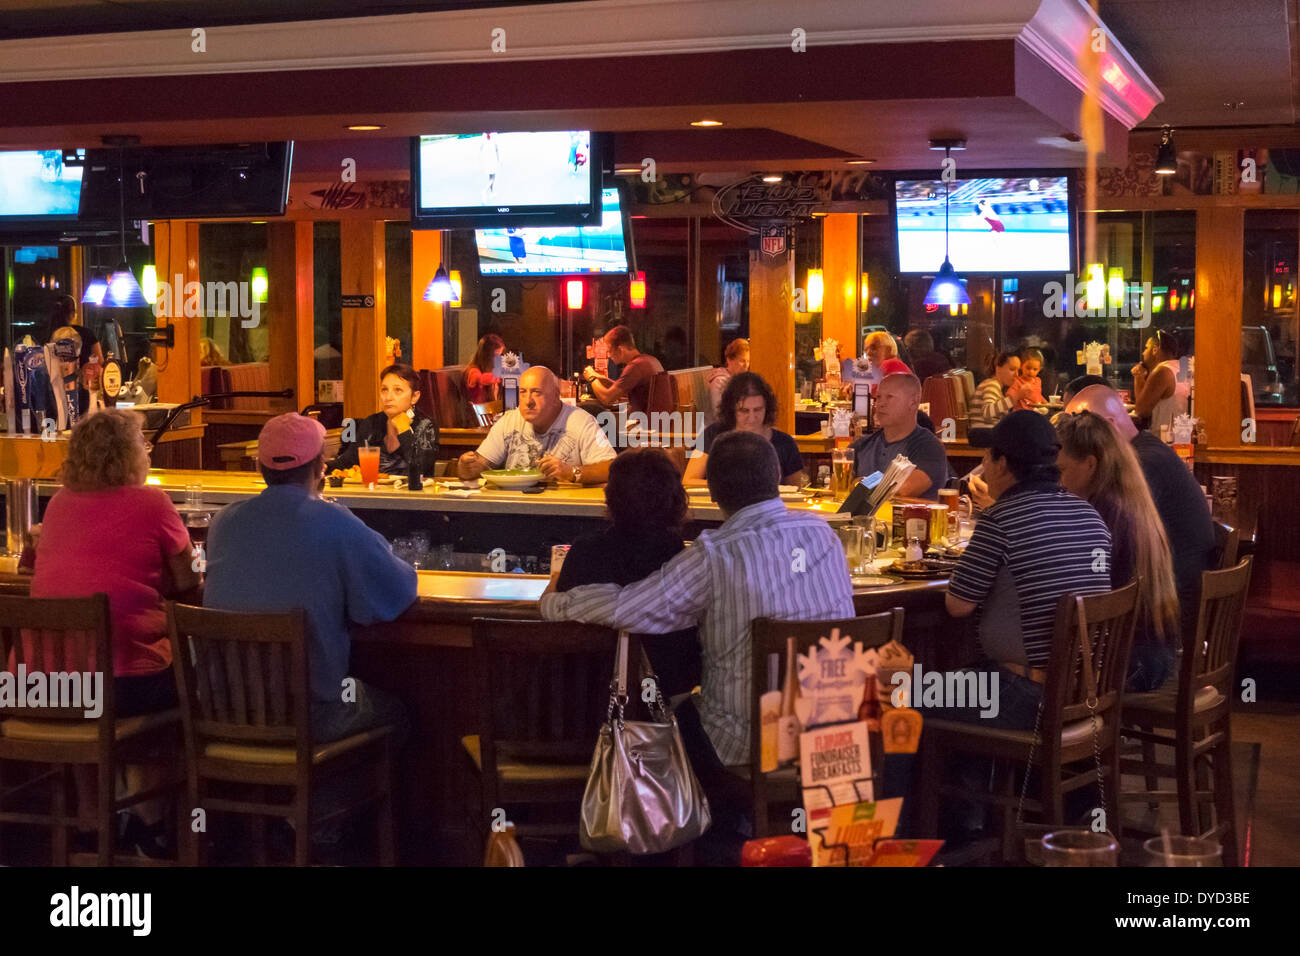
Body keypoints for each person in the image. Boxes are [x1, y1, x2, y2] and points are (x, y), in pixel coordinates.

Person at [541, 430, 854, 832]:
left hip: (748, 748)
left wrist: (553, 600)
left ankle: (693, 840)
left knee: (663, 720)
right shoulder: (823, 535)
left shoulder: (715, 554)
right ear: (777, 474)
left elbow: (627, 608)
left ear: (715, 492)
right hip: (838, 738)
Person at [29, 409, 201, 855]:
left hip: (41, 688)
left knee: (83, 698)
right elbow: (188, 581)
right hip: (123, 684)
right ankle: (149, 824)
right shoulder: (152, 503)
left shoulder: (60, 503)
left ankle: (91, 819)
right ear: (130, 454)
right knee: (175, 689)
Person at [204, 413, 416, 749]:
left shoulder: (223, 524)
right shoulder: (336, 522)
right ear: (320, 467)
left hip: (223, 711)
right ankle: (336, 801)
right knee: (400, 710)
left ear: (260, 467)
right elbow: (398, 592)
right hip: (312, 715)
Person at [944, 411, 1114, 730]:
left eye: (987, 455)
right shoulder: (1091, 516)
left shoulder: (999, 520)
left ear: (1003, 463)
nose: (982, 464)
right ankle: (976, 779)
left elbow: (957, 605)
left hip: (1023, 693)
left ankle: (952, 781)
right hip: (1085, 690)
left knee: (900, 692)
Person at [1064, 384, 1215, 640]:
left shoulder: (1140, 467)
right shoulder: (1145, 451)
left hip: (1164, 623)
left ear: (1105, 428)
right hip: (1160, 613)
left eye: (1081, 424)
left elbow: (1096, 553)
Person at [552, 447, 700, 697]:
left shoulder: (585, 552)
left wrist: (550, 592)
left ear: (610, 498)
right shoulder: (682, 559)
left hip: (585, 709)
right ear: (675, 500)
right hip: (664, 715)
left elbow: (556, 625)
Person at [1055, 411, 1179, 691]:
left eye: (1061, 470)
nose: (1057, 481)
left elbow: (1082, 593)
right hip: (1155, 655)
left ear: (1090, 464)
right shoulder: (1129, 499)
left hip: (1130, 664)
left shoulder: (1101, 513)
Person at [458, 365, 615, 485]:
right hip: (513, 508)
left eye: (536, 393)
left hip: (561, 512)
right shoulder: (509, 421)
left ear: (555, 396)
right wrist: (467, 468)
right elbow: (479, 465)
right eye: (523, 392)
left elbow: (611, 468)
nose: (528, 401)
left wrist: (571, 472)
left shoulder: (581, 421)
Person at [682, 371, 807, 488]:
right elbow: (689, 481)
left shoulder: (785, 443)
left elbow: (795, 491)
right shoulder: (713, 434)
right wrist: (732, 487)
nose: (752, 418)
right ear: (731, 410)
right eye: (744, 411)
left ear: (767, 408)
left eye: (758, 410)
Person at [849, 372, 949, 500]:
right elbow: (840, 485)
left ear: (913, 402)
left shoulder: (930, 447)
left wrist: (861, 483)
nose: (880, 404)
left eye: (889, 397)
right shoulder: (861, 445)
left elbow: (905, 488)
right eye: (878, 397)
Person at [329, 364, 439, 479]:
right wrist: (323, 467)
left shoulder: (426, 425)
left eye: (398, 390)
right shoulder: (371, 423)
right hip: (374, 494)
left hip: (412, 495)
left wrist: (404, 429)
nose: (388, 397)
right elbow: (346, 462)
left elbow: (422, 469)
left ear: (414, 397)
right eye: (384, 390)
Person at [583, 325, 667, 415]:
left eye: (610, 351)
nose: (609, 356)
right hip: (659, 421)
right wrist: (601, 378)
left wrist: (592, 378)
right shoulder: (650, 360)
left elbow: (606, 398)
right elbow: (623, 387)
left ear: (620, 349)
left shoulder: (635, 367)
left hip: (642, 424)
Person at [1131, 329, 1189, 434]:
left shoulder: (1162, 371)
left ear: (1155, 350)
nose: (1143, 353)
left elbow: (1141, 410)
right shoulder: (1179, 368)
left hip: (1165, 441)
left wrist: (1138, 377)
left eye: (1146, 348)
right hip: (1182, 437)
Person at [969, 351, 1032, 429]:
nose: (1016, 375)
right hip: (986, 434)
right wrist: (1014, 398)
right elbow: (987, 412)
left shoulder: (996, 387)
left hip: (989, 433)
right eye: (1012, 369)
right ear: (998, 369)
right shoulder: (991, 385)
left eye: (1018, 370)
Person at [703, 338, 750, 427]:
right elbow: (719, 415)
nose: (746, 365)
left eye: (748, 361)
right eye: (742, 361)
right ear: (729, 360)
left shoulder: (740, 381)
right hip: (715, 433)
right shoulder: (718, 382)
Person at [462, 334, 504, 405]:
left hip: (489, 412)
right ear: (486, 356)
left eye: (500, 355)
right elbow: (481, 379)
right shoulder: (473, 371)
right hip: (478, 414)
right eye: (495, 356)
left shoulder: (492, 370)